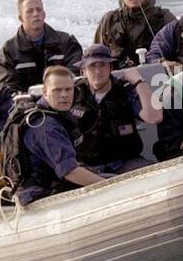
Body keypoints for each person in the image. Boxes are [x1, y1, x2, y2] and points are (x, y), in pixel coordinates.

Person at [0, 67, 105, 204]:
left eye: (68, 89)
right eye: (57, 90)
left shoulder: (53, 114)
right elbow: (70, 172)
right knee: (109, 183)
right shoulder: (45, 126)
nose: (64, 95)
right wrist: (109, 185)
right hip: (39, 194)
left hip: (51, 184)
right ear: (45, 93)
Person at [68, 43, 162, 175]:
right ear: (83, 70)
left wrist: (139, 82)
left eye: (102, 65)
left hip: (125, 163)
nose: (97, 71)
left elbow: (154, 117)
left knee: (154, 175)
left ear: (111, 67)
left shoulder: (125, 91)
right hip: (87, 167)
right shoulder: (73, 94)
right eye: (92, 66)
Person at [0, 0, 82, 100]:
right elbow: (7, 90)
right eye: (30, 11)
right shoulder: (8, 52)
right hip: (26, 108)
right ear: (20, 18)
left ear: (44, 14)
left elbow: (77, 77)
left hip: (64, 102)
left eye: (39, 10)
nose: (36, 14)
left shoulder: (67, 43)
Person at [93, 0, 176, 66]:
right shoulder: (109, 20)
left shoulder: (165, 18)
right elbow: (95, 57)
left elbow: (180, 55)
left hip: (159, 77)